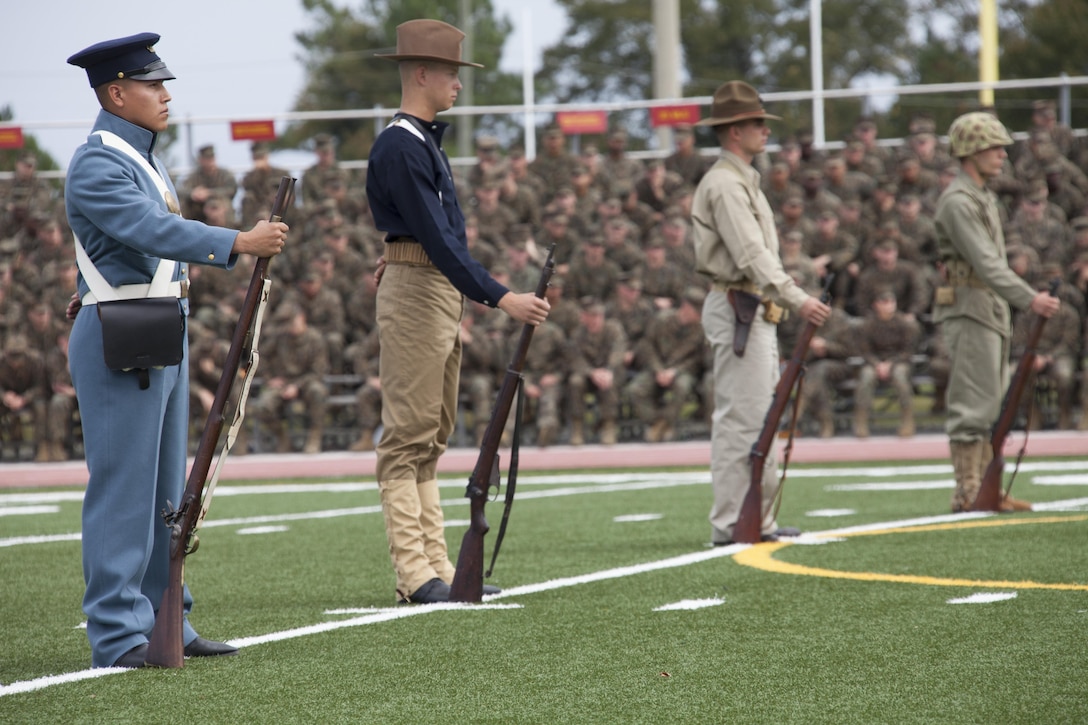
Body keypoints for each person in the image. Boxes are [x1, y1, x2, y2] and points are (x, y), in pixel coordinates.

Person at [64, 33, 288, 668]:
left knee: (166, 493)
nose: (165, 96)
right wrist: (236, 240)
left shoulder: (140, 156)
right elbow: (147, 228)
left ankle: (167, 619)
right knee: (124, 489)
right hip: (122, 331)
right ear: (116, 93)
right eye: (152, 86)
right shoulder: (98, 161)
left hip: (156, 325)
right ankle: (116, 632)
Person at [366, 19, 549, 605]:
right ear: (422, 73)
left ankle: (439, 565)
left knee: (432, 434)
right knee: (408, 437)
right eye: (450, 74)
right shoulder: (401, 143)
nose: (458, 86)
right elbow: (438, 241)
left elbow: (437, 237)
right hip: (421, 287)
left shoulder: (418, 141)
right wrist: (500, 296)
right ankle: (416, 573)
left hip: (430, 287)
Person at [690, 80, 830, 546]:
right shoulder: (727, 184)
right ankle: (733, 523)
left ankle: (757, 519)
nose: (764, 131)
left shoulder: (741, 179)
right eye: (756, 124)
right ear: (733, 131)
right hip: (740, 305)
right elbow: (751, 255)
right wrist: (798, 297)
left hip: (751, 306)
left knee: (760, 416)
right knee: (743, 419)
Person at [933, 111, 1060, 513]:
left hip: (986, 306)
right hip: (971, 307)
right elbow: (987, 263)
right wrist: (1029, 298)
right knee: (973, 403)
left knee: (990, 401)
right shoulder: (958, 201)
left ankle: (986, 487)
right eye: (995, 147)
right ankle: (968, 490)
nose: (1003, 155)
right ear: (971, 152)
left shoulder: (981, 196)